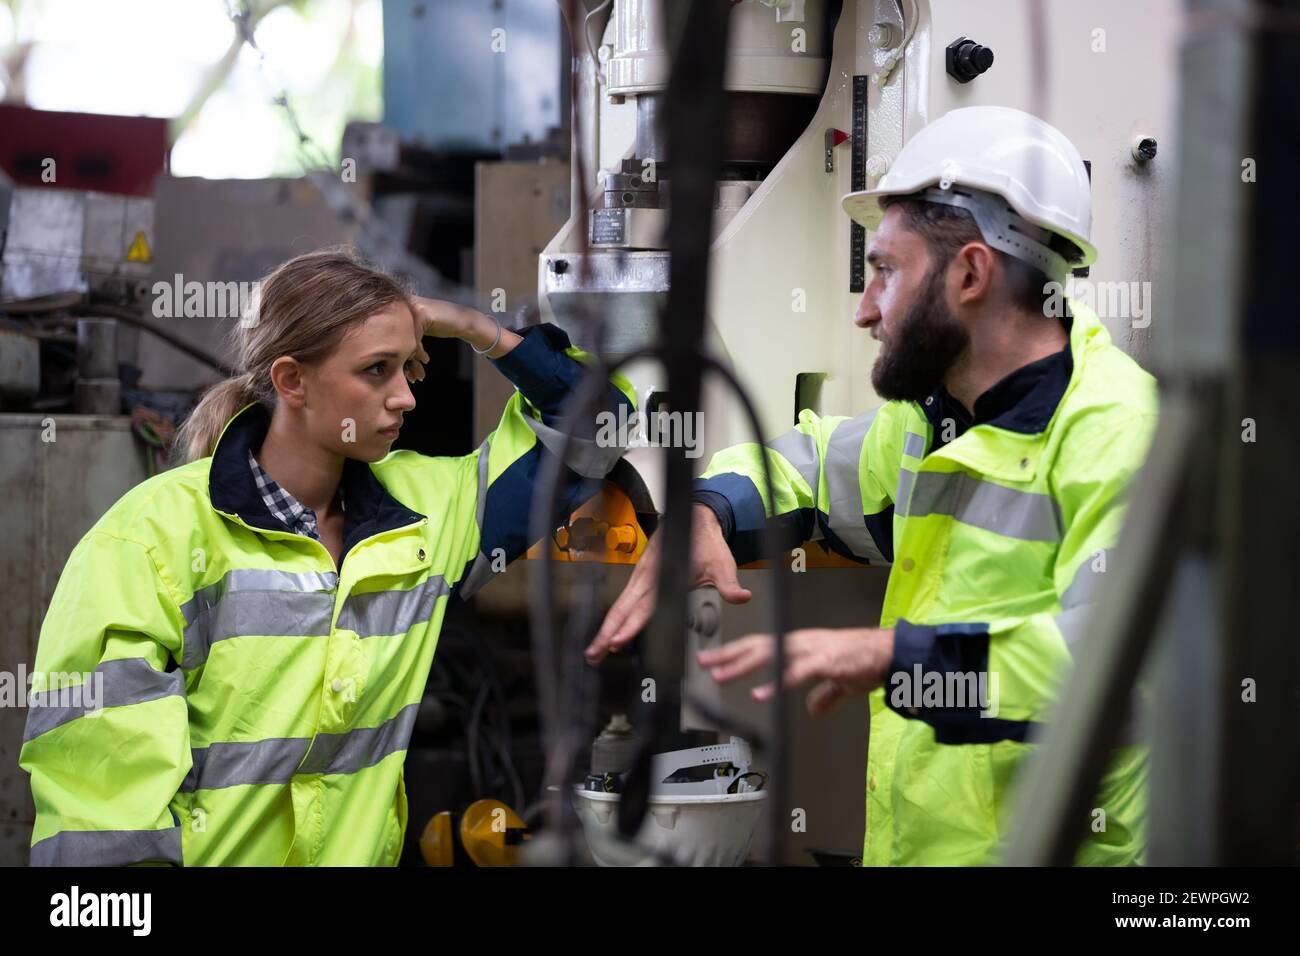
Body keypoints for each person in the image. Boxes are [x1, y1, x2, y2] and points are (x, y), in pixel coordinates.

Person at [585, 106, 1157, 865]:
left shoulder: (1119, 432)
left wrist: (896, 657)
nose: (864, 309)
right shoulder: (933, 421)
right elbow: (813, 467)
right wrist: (708, 511)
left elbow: (1114, 667)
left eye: (885, 269)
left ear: (971, 273)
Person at [21, 248, 634, 866]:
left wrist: (479, 330)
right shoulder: (148, 541)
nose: (406, 398)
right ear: (292, 381)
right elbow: (101, 825)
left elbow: (596, 427)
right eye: (375, 371)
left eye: (406, 368)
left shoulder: (426, 516)